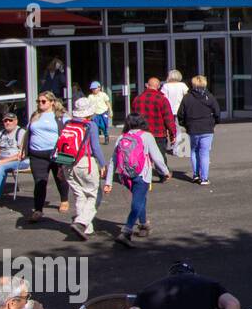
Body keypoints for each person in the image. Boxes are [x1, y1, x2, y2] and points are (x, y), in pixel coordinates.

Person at [105, 112, 171, 248]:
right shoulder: (146, 136)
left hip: (125, 175)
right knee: (137, 202)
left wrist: (108, 182)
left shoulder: (122, 137)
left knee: (140, 199)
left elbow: (113, 161)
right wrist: (165, 172)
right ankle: (127, 231)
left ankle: (143, 225)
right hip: (142, 174)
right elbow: (157, 157)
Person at [63, 97, 106, 241]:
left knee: (79, 194)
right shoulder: (90, 125)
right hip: (84, 162)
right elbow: (95, 147)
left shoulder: (67, 123)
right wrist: (103, 163)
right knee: (94, 194)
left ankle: (87, 229)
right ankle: (81, 223)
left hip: (67, 162)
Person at [24, 91, 70, 223]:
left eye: (43, 101)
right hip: (37, 154)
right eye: (38, 101)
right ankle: (38, 210)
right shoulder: (35, 116)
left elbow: (71, 130)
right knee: (39, 182)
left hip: (58, 153)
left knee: (61, 178)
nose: (40, 104)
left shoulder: (61, 116)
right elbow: (28, 133)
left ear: (52, 102)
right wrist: (23, 149)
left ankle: (64, 200)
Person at [177, 75, 222, 185]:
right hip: (207, 128)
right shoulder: (209, 97)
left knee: (194, 151)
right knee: (204, 152)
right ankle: (204, 178)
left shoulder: (187, 97)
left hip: (193, 127)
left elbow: (180, 114)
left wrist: (185, 125)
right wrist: (214, 123)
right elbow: (217, 112)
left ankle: (196, 174)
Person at [131, 77, 176, 181]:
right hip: (158, 132)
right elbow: (168, 118)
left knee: (142, 154)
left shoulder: (137, 99)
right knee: (159, 154)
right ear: (158, 86)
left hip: (141, 133)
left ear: (147, 85)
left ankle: (141, 173)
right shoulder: (162, 99)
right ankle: (163, 174)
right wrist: (172, 133)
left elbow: (133, 117)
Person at [0, 112, 28, 207]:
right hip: (2, 161)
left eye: (10, 120)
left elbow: (21, 154)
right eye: (5, 120)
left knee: (1, 167)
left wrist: (2, 162)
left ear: (16, 121)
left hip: (20, 161)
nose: (7, 122)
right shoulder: (1, 133)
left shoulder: (20, 132)